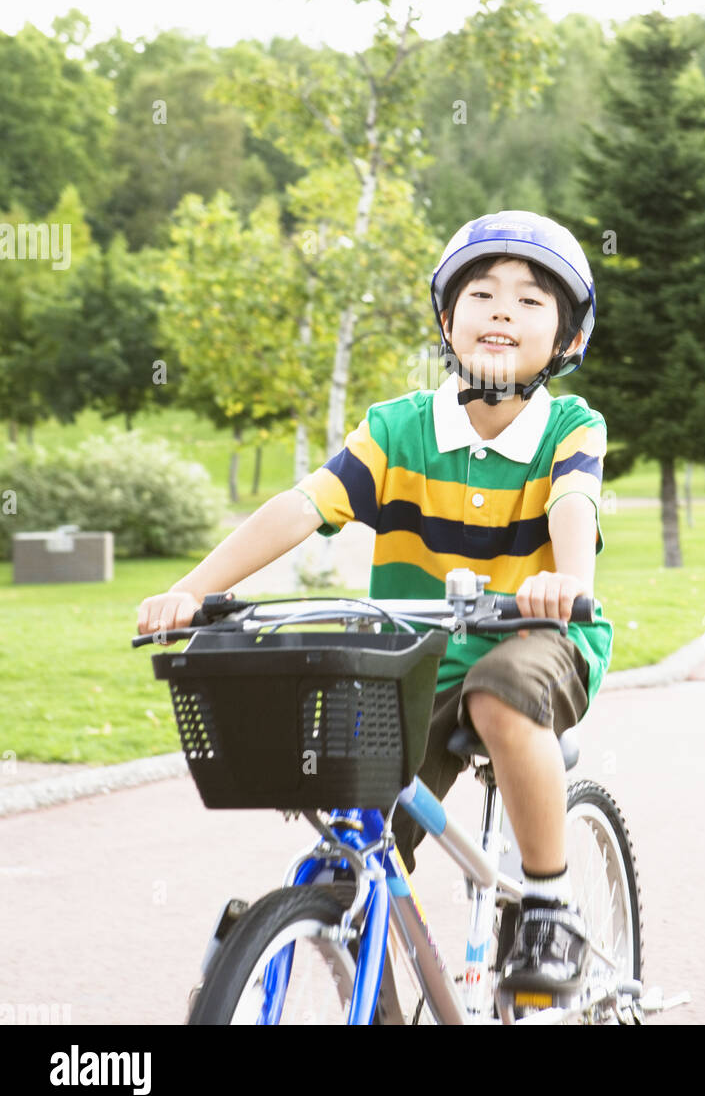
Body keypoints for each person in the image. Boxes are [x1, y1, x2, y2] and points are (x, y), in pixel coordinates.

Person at [138, 210, 613, 1014]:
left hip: (536, 635)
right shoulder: (398, 429)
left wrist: (564, 583)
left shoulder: (568, 426)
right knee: (356, 835)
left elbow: (574, 498)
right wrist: (191, 588)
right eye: (482, 293)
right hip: (412, 656)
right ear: (445, 320)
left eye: (533, 301)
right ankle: (346, 949)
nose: (502, 310)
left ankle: (547, 904)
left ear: (567, 342)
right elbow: (300, 507)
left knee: (502, 692)